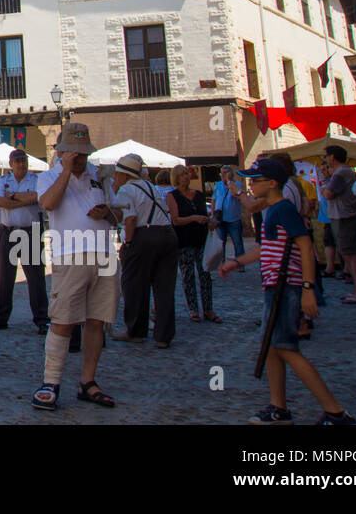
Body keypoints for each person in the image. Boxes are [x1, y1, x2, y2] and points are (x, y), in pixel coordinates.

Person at [220, 159, 356, 425]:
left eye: (255, 180)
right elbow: (267, 249)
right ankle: (278, 406)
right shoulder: (272, 210)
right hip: (274, 285)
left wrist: (307, 289)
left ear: (271, 184)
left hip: (287, 286)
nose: (251, 185)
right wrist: (237, 262)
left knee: (286, 349)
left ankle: (335, 411)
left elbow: (305, 247)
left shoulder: (283, 209)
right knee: (272, 346)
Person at [30, 122, 118, 411]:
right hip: (71, 254)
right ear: (63, 151)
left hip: (104, 255)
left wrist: (109, 211)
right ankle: (51, 381)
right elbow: (49, 204)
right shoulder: (48, 177)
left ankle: (87, 382)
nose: (82, 159)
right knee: (63, 320)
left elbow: (117, 211)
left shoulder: (99, 176)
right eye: (76, 154)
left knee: (97, 320)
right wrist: (66, 171)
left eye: (84, 154)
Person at [110, 154, 179, 348]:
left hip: (143, 236)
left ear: (123, 174)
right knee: (164, 288)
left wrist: (128, 243)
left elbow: (130, 219)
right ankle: (163, 336)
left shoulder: (126, 190)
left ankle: (136, 331)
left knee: (133, 286)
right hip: (167, 234)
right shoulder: (150, 186)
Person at [0, 148, 49, 332]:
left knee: (36, 277)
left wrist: (12, 198)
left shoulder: (36, 180)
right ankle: (0, 317)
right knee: (5, 276)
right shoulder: (3, 180)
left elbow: (37, 197)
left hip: (31, 231)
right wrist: (25, 200)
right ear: (11, 164)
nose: (21, 164)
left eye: (24, 160)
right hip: (8, 231)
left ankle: (42, 318)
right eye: (18, 161)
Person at [169, 164, 220, 325]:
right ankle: (193, 309)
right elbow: (175, 220)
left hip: (201, 238)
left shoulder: (198, 195)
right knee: (188, 275)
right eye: (183, 174)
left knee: (205, 274)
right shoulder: (173, 196)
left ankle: (208, 308)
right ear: (176, 177)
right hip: (184, 240)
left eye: (187, 173)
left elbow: (206, 214)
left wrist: (210, 221)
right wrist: (194, 218)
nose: (186, 176)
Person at [319, 144, 356, 304]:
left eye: (325, 156)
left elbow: (328, 194)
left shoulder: (340, 173)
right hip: (344, 215)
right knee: (349, 254)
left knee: (350, 254)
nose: (324, 160)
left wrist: (325, 184)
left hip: (343, 216)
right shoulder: (342, 172)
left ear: (332, 157)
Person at [211, 165, 246, 268]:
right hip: (220, 218)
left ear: (231, 173)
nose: (223, 175)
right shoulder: (218, 185)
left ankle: (240, 264)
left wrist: (230, 183)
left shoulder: (237, 185)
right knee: (221, 243)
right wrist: (213, 215)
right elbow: (214, 200)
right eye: (222, 173)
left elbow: (238, 196)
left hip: (233, 218)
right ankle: (222, 264)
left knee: (237, 242)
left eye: (226, 172)